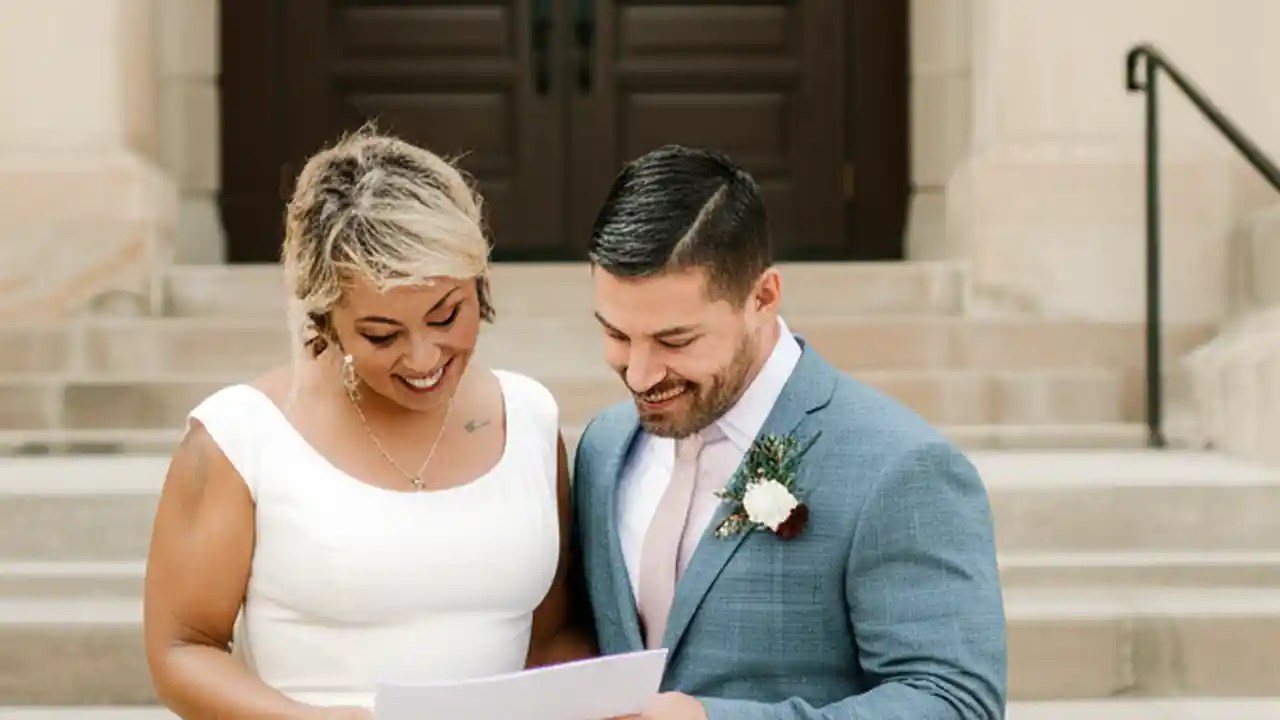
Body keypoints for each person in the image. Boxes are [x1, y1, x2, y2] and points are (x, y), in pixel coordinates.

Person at [143, 130, 591, 718]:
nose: (425, 358)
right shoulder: (240, 438)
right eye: (382, 335)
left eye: (447, 315)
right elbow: (181, 648)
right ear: (326, 317)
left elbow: (551, 637)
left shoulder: (529, 418)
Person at [573, 145, 1008, 719]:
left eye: (675, 341)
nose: (640, 374)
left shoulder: (900, 467)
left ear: (763, 297)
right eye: (617, 336)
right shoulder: (603, 448)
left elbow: (955, 705)